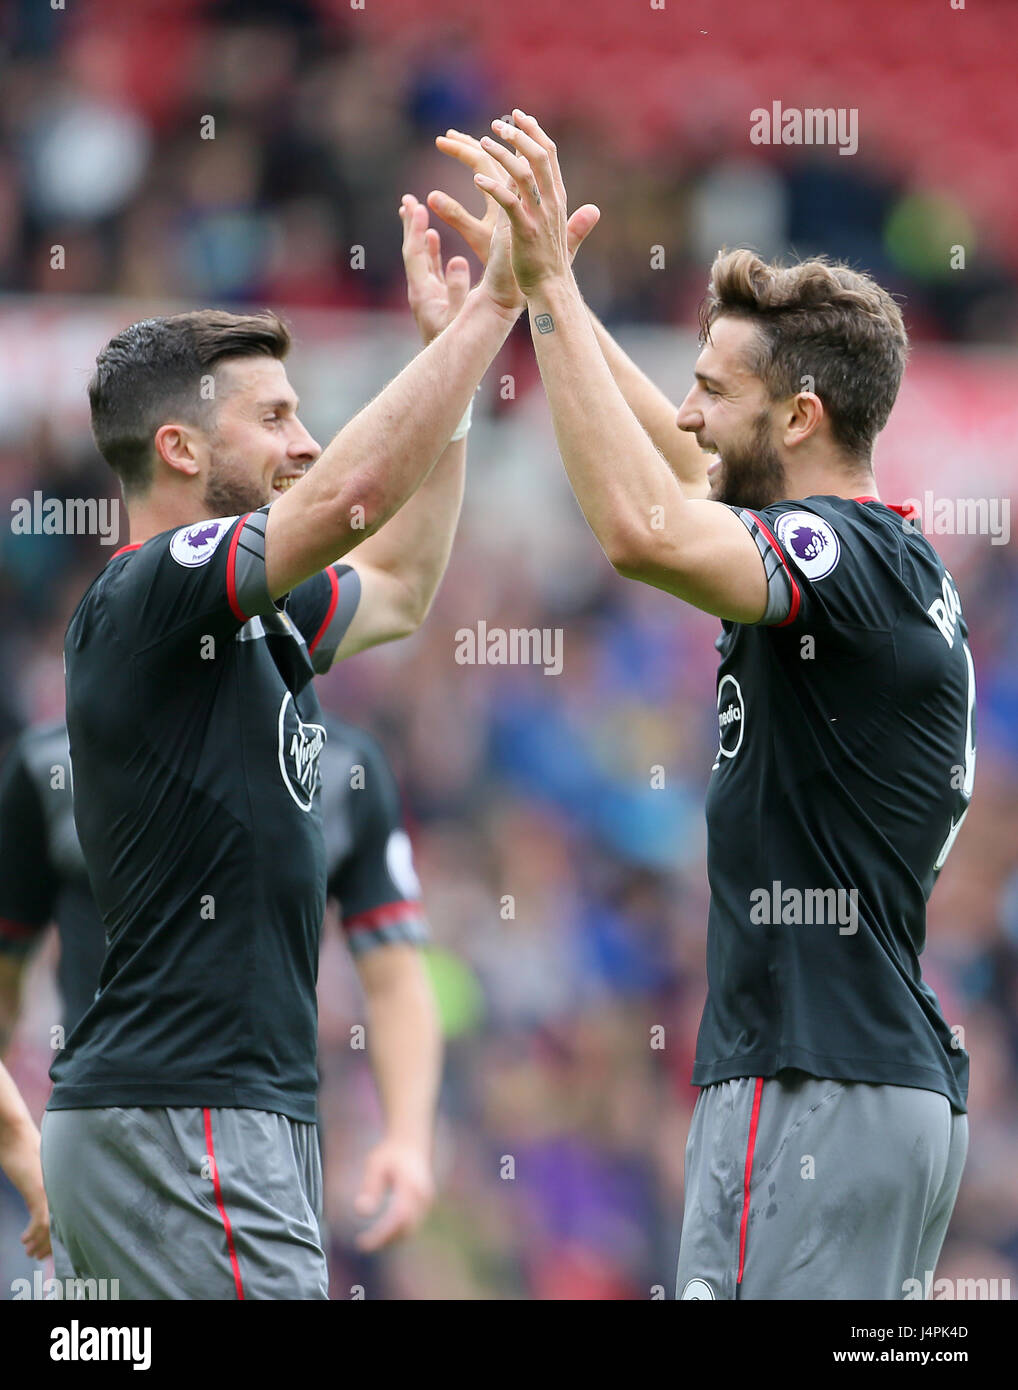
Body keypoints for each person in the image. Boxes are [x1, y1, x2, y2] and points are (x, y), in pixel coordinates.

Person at [41, 177, 596, 1300]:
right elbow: (351, 495)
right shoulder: (153, 589)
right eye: (275, 417)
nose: (302, 441)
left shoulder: (244, 613)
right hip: (189, 1118)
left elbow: (393, 585)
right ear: (182, 450)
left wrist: (448, 400)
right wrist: (498, 305)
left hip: (198, 1113)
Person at [468, 110, 974, 1301]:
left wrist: (545, 305)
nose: (685, 412)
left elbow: (647, 527)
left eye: (710, 387)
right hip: (869, 1082)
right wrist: (565, 300)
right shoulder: (881, 563)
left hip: (810, 1082)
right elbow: (690, 474)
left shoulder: (837, 556)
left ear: (799, 419)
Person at [0, 714, 437, 1260]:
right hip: (105, 1151)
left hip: (274, 1159)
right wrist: (18, 1142)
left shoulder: (340, 766)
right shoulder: (51, 763)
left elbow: (396, 980)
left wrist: (409, 1139)